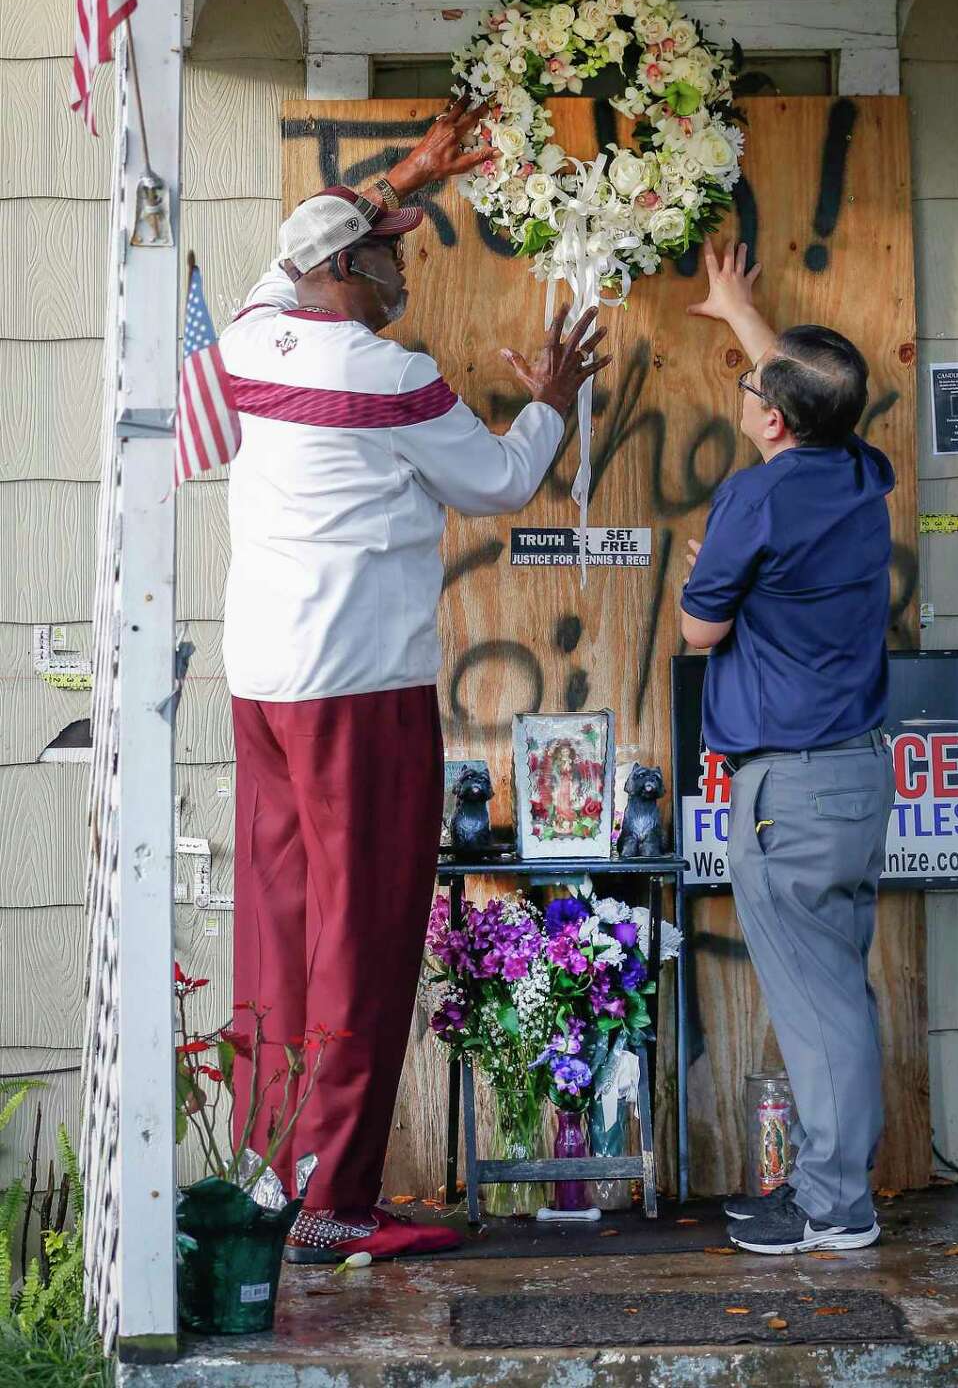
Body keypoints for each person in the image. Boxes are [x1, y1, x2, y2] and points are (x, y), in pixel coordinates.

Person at [218, 99, 608, 1263]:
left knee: (278, 930)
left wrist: (412, 174)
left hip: (263, 681)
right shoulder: (387, 373)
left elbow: (309, 254)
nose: (405, 264)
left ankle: (273, 1176)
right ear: (346, 270)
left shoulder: (247, 336)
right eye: (390, 252)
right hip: (362, 689)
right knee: (366, 936)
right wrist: (548, 400)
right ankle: (337, 1201)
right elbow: (493, 485)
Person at [680, 239, 895, 1256]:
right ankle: (832, 1188)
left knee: (818, 1010)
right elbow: (813, 403)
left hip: (790, 792)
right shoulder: (858, 471)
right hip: (855, 779)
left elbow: (697, 634)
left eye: (752, 385)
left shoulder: (755, 498)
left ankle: (831, 1205)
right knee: (835, 994)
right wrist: (741, 317)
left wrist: (710, 581)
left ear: (770, 418)